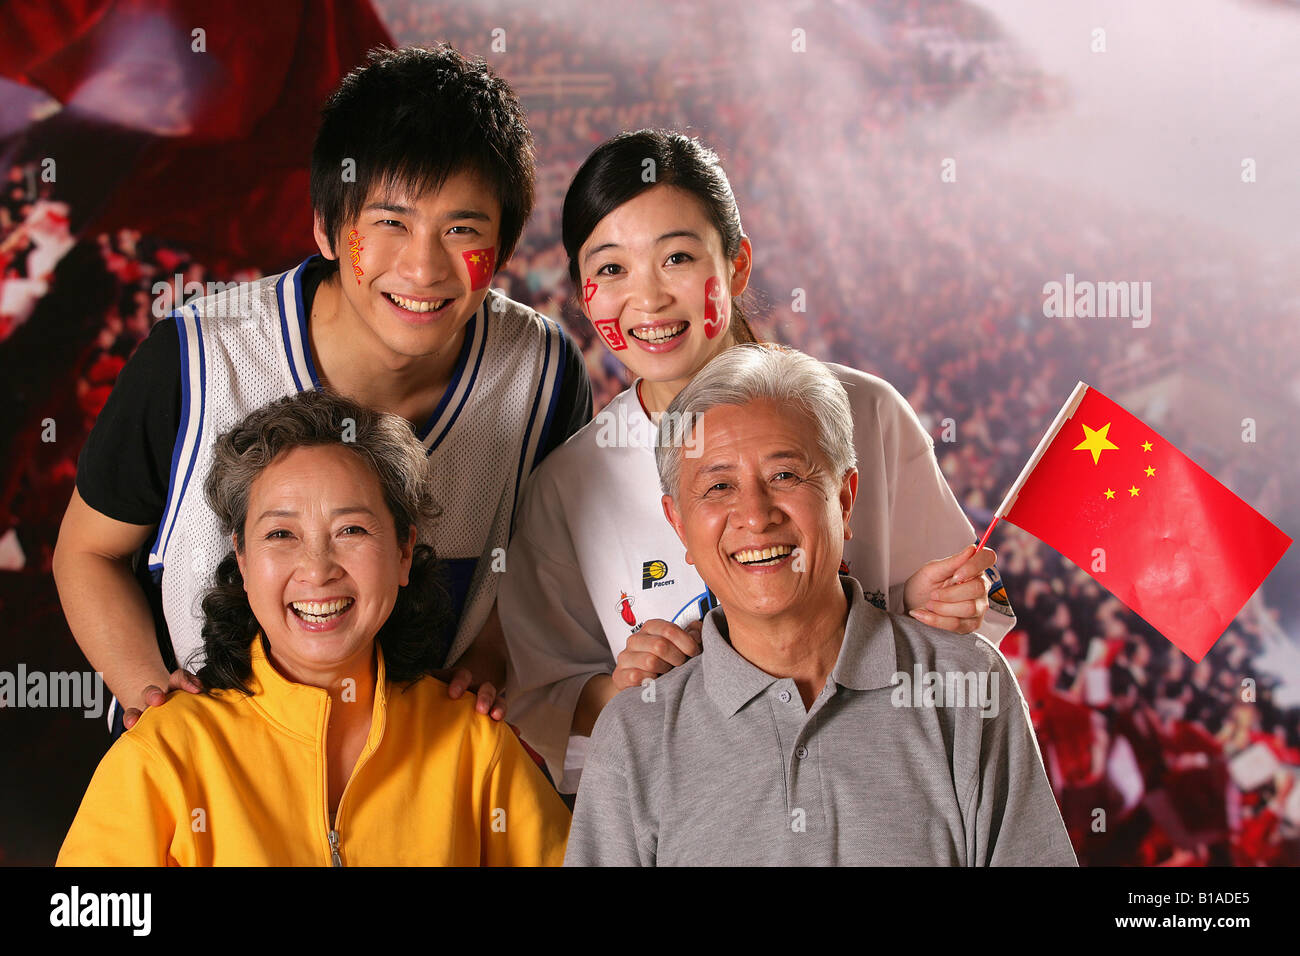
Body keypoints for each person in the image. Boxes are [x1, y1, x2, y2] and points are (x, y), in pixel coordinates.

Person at [52, 45, 591, 738]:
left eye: (462, 230)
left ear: (505, 246)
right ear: (327, 227)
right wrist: (154, 700)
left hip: (418, 782)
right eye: (390, 223)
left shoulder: (542, 372)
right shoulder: (196, 357)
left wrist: (493, 649)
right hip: (215, 772)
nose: (423, 267)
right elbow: (87, 552)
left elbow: (551, 562)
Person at [500, 130, 1015, 791]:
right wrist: (620, 692)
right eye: (610, 270)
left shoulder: (866, 411)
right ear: (580, 292)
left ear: (736, 265)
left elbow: (976, 626)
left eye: (678, 258)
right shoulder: (570, 485)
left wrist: (941, 610)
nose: (649, 300)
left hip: (883, 800)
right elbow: (546, 708)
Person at [564, 346, 1075, 866]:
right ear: (679, 527)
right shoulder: (633, 735)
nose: (756, 516)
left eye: (785, 476)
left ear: (845, 499)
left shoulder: (965, 688)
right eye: (719, 487)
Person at [57, 389, 570, 866]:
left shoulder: (478, 746)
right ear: (241, 555)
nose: (318, 568)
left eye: (351, 529)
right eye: (281, 533)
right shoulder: (164, 752)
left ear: (403, 552)